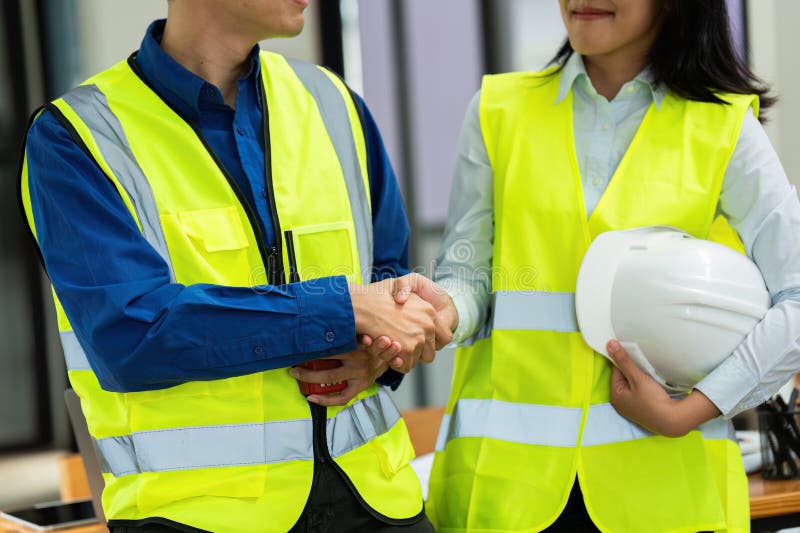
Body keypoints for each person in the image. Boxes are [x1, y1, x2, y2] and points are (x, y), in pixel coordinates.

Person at [19, 1, 450, 532]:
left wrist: (378, 355)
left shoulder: (335, 104)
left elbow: (386, 275)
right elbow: (131, 333)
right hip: (197, 517)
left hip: (379, 502)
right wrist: (346, 309)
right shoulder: (77, 137)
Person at [394, 0, 800, 531]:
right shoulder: (500, 110)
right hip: (505, 494)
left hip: (663, 497)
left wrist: (691, 410)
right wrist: (443, 309)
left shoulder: (723, 126)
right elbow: (470, 272)